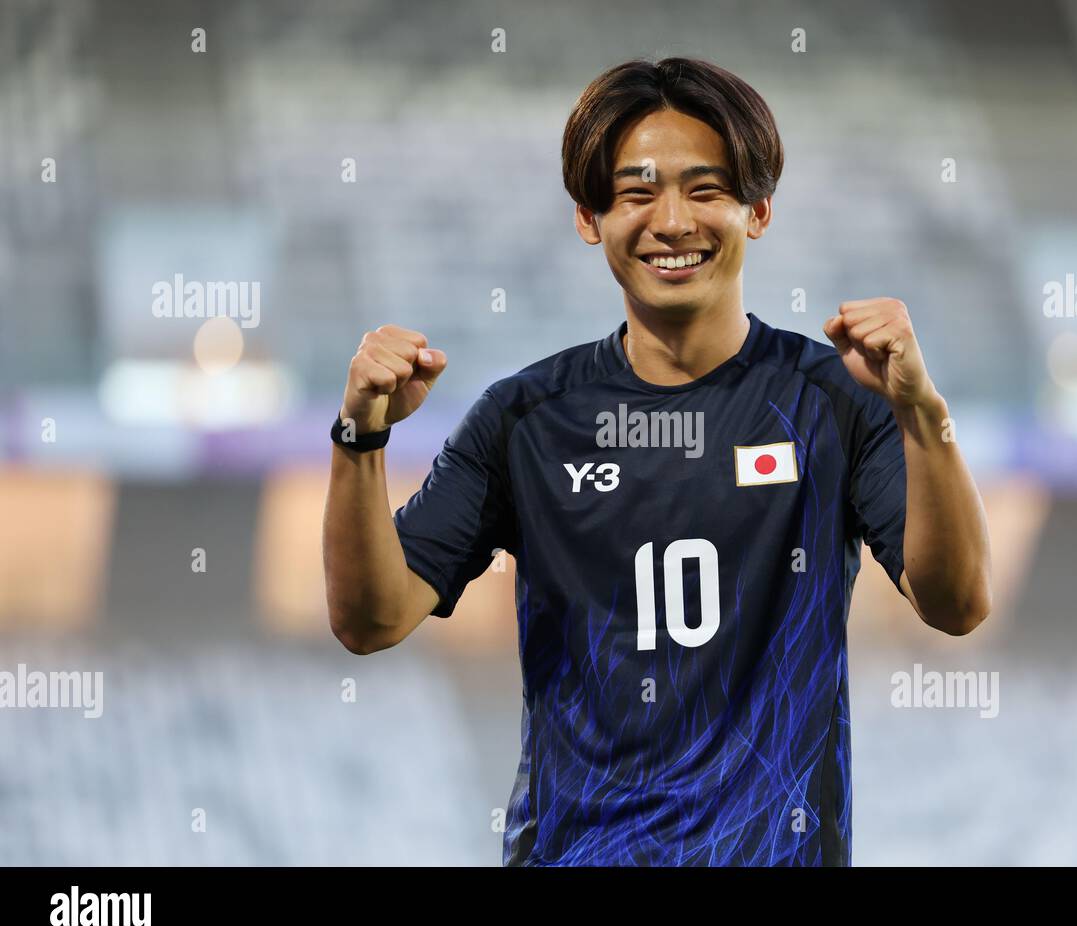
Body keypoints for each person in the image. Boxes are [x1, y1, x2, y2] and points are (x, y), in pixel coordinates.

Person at [323, 56, 991, 866]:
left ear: (760, 210)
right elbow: (369, 621)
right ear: (588, 217)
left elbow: (956, 604)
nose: (672, 221)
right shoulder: (525, 417)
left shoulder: (837, 403)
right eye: (637, 194)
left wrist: (923, 414)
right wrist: (360, 437)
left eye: (705, 190)